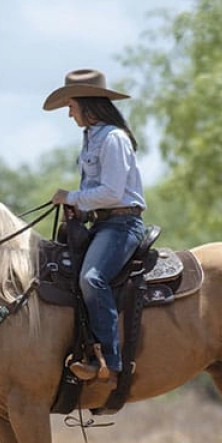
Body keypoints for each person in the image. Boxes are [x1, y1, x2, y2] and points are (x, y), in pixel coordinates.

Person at [43, 68, 147, 388]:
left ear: (88, 105)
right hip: (103, 224)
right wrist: (76, 208)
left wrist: (71, 197)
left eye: (71, 106)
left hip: (121, 223)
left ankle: (109, 361)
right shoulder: (92, 138)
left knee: (92, 278)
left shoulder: (113, 138)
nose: (69, 113)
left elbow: (113, 192)